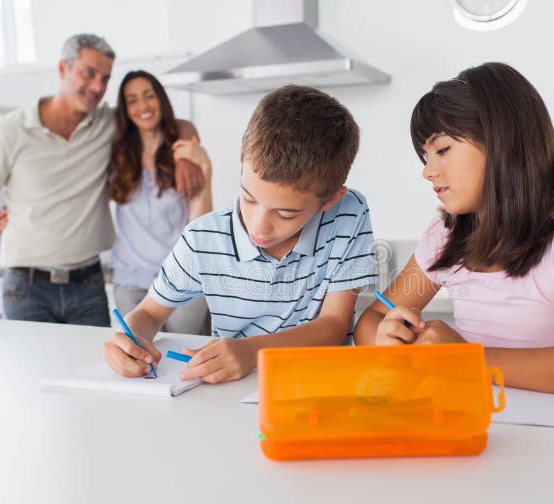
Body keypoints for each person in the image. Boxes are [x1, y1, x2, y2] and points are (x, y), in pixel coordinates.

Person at [354, 62, 554, 400]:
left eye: (443, 150)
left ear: (501, 142)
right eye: (425, 156)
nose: (428, 171)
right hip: (480, 424)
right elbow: (373, 317)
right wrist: (389, 339)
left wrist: (467, 359)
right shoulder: (445, 235)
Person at [103, 84, 377, 384]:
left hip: (321, 388)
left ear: (330, 200)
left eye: (285, 214)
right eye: (248, 197)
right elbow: (149, 314)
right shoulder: (202, 240)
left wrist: (252, 352)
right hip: (231, 397)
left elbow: (334, 324)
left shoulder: (348, 213)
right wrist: (126, 340)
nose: (259, 226)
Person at [0, 34, 203, 327]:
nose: (98, 86)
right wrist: (13, 226)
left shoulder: (107, 124)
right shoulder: (9, 130)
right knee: (33, 370)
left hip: (88, 283)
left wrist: (185, 154)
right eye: (89, 73)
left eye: (105, 78)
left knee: (92, 370)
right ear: (63, 69)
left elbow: (159, 120)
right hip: (27, 286)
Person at [109, 70, 213, 334]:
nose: (142, 106)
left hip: (183, 278)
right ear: (125, 109)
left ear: (161, 99)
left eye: (149, 96)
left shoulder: (184, 148)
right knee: (136, 357)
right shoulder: (117, 151)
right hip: (130, 281)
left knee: (183, 358)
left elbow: (199, 221)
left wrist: (202, 168)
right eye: (132, 100)